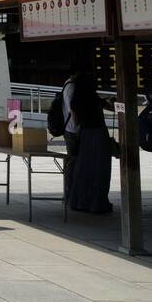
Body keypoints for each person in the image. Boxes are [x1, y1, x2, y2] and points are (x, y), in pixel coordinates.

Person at [62, 65, 113, 215]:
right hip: (99, 134)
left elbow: (76, 121)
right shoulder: (94, 98)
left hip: (85, 135)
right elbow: (110, 106)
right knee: (100, 170)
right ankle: (97, 203)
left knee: (83, 170)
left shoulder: (76, 99)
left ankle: (79, 201)